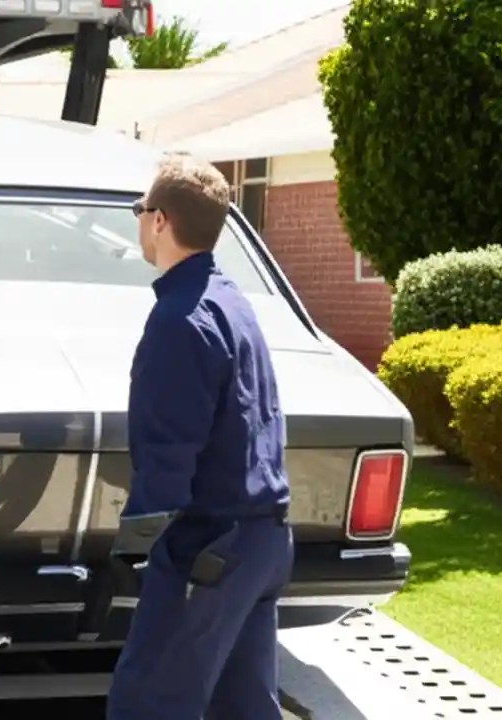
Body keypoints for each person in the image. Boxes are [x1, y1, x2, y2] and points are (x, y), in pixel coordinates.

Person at [105, 154, 294, 719]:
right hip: (263, 544)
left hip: (208, 549)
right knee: (243, 708)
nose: (139, 219)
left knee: (147, 706)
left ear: (159, 220)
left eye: (140, 209)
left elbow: (168, 456)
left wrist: (132, 551)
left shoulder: (179, 320)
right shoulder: (234, 304)